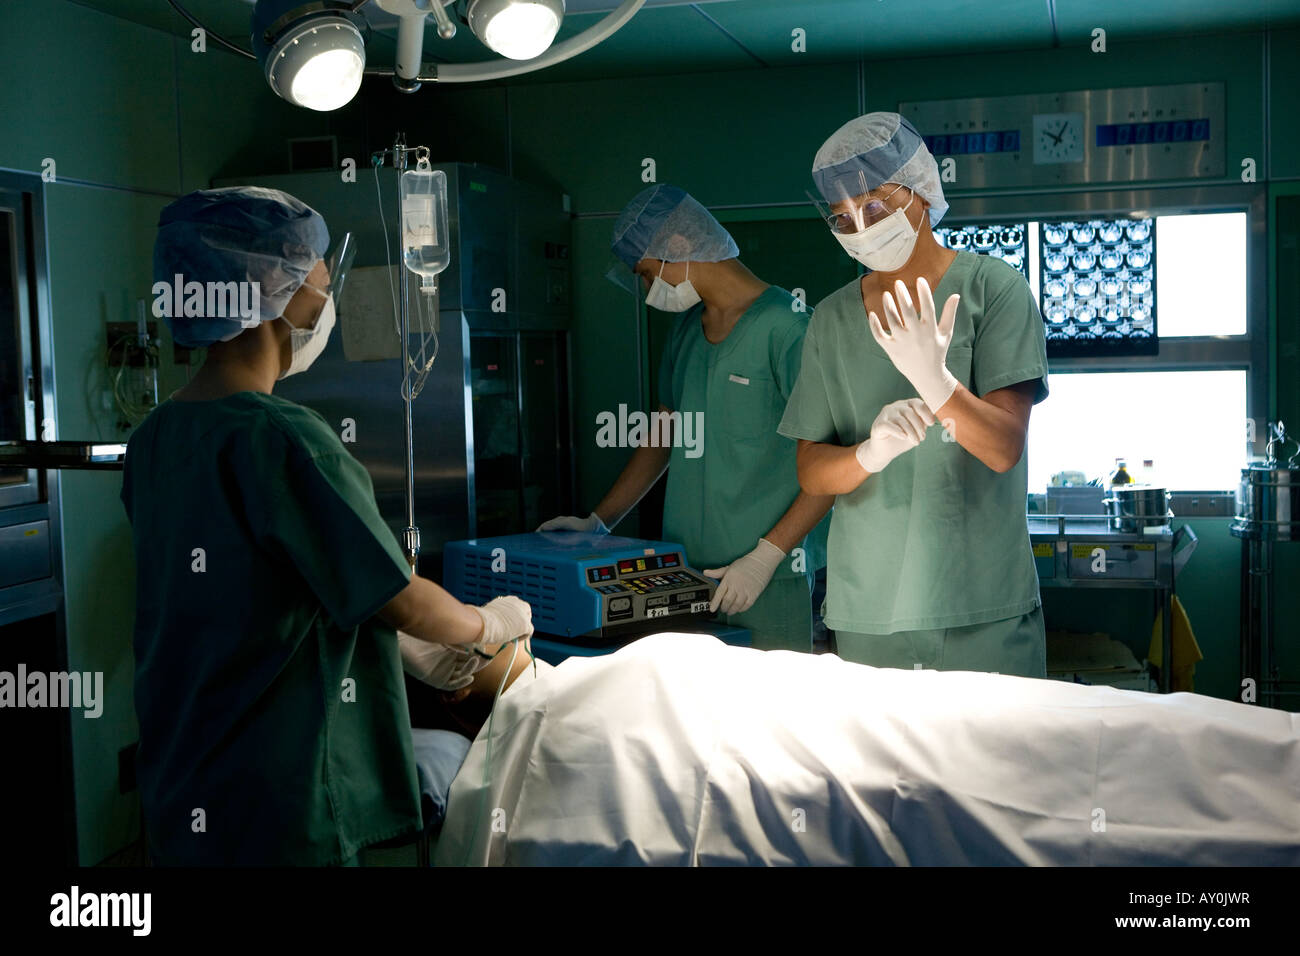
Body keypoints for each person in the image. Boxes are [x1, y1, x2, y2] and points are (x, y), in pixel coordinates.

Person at [122, 186, 534, 866]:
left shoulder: (157, 438)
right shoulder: (284, 438)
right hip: (293, 798)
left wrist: (397, 636)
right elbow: (396, 595)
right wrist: (484, 627)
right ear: (274, 298)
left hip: (187, 780)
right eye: (318, 280)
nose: (326, 299)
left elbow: (257, 589)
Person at [778, 113, 1050, 677]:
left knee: (997, 764)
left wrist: (940, 385)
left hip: (981, 605)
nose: (860, 226)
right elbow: (811, 473)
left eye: (874, 206)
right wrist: (866, 454)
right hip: (872, 608)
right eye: (843, 217)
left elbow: (1003, 448)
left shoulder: (993, 289)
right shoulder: (830, 319)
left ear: (923, 191)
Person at [540, 185, 833, 651]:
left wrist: (766, 556)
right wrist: (599, 522)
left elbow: (831, 467)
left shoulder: (790, 329)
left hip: (770, 578)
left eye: (645, 273)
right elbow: (662, 438)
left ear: (677, 247)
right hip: (681, 576)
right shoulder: (685, 330)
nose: (645, 288)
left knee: (769, 716)